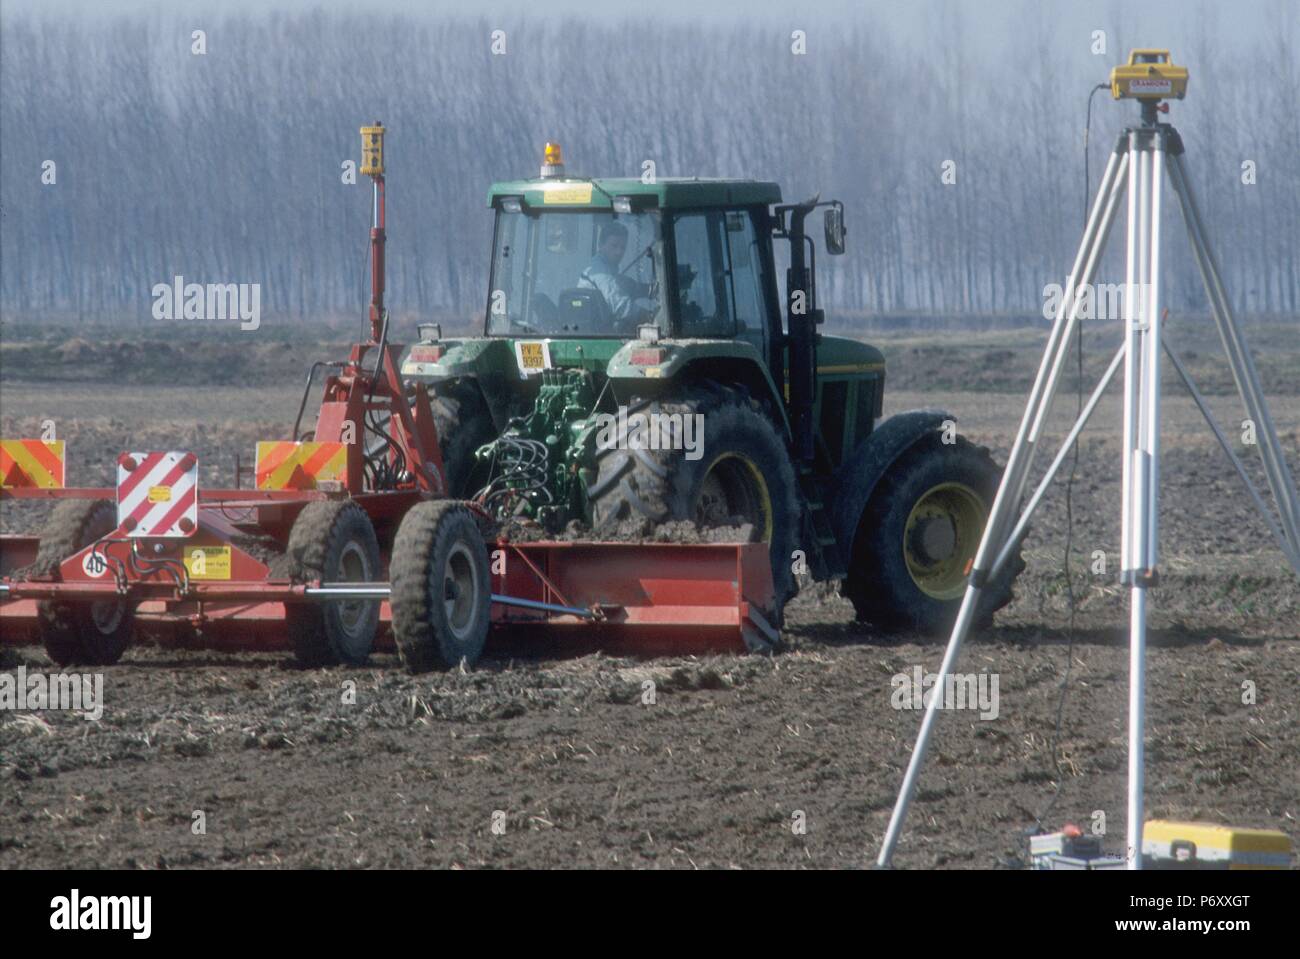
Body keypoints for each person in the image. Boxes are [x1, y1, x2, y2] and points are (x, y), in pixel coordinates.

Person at [578, 221, 658, 325]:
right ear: (600, 245)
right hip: (600, 332)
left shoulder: (609, 271)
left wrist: (650, 290)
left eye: (622, 247)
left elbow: (626, 286)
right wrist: (651, 316)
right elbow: (619, 305)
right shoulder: (599, 271)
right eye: (614, 246)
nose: (619, 252)